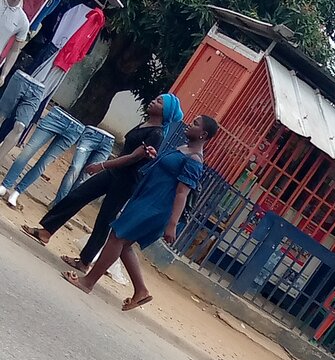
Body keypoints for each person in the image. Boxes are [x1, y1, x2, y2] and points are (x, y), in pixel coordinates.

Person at [61, 115, 218, 311]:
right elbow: (166, 170)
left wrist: (172, 224)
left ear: (203, 134)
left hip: (156, 207)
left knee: (117, 236)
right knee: (124, 244)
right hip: (147, 199)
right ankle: (141, 291)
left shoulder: (195, 160)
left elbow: (182, 192)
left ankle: (88, 282)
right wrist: (154, 156)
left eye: (195, 124)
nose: (189, 125)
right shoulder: (184, 150)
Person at [21, 93, 184, 271]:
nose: (153, 100)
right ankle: (47, 231)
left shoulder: (156, 134)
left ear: (165, 111)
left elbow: (133, 157)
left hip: (126, 180)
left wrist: (102, 165)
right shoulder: (145, 124)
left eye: (159, 102)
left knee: (105, 220)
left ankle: (85, 261)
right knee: (78, 195)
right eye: (156, 98)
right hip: (115, 172)